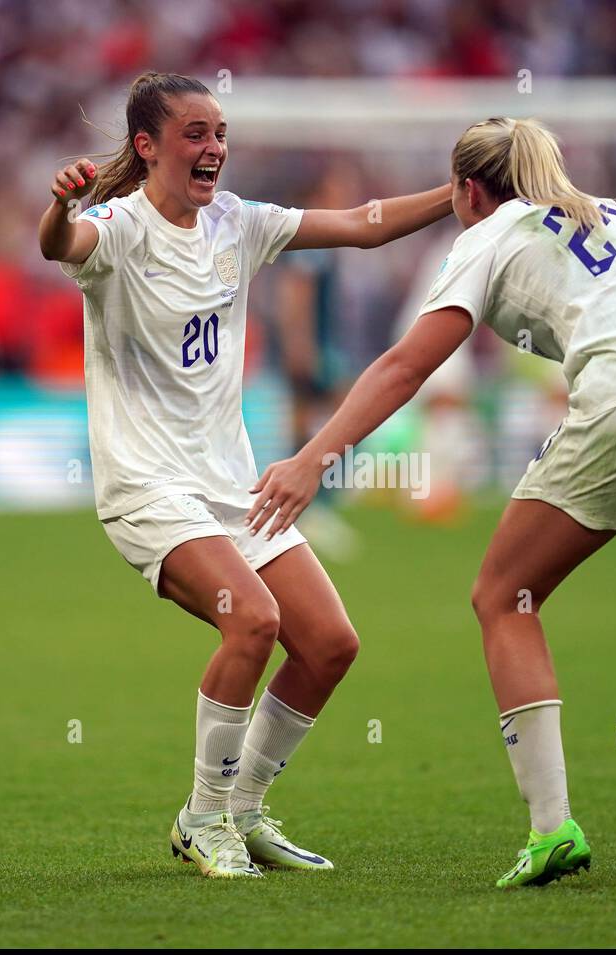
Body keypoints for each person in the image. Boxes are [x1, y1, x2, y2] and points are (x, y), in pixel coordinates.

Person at [248, 117, 616, 888]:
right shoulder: (609, 212)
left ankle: (551, 827)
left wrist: (311, 458)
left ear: (468, 190)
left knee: (505, 595)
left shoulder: (486, 233)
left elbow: (404, 367)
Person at [37, 72, 452, 879]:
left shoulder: (239, 223)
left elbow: (364, 227)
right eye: (195, 133)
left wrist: (456, 199)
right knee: (253, 622)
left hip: (230, 486)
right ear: (149, 146)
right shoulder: (116, 229)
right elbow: (61, 246)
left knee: (330, 644)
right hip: (148, 487)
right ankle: (201, 817)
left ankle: (247, 808)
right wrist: (58, 207)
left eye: (220, 132)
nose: (215, 148)